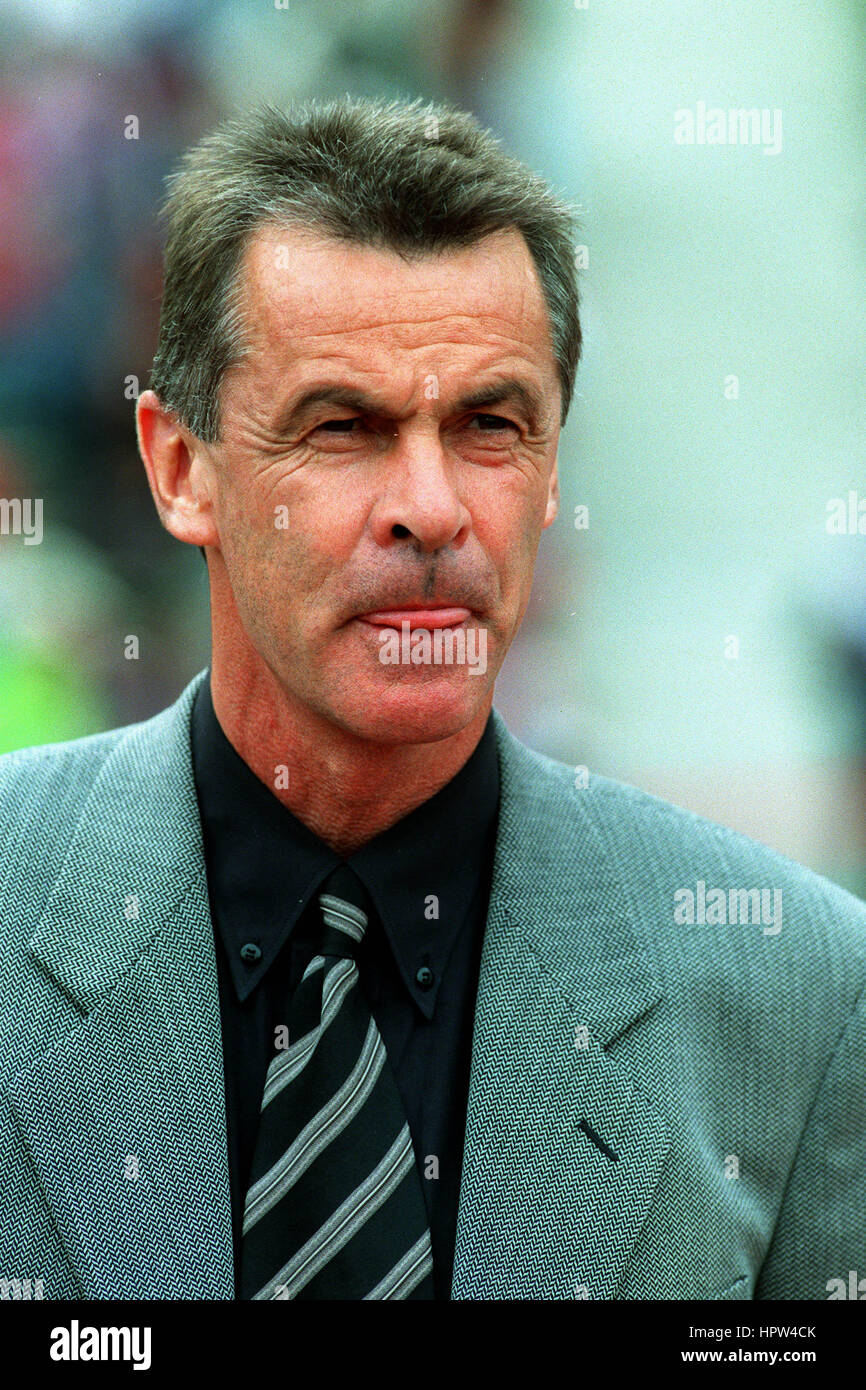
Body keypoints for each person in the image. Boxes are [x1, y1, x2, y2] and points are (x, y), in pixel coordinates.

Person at [1, 96, 864, 1302]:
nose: (432, 507)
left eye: (488, 425)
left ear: (553, 468)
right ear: (180, 468)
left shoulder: (799, 996)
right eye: (342, 426)